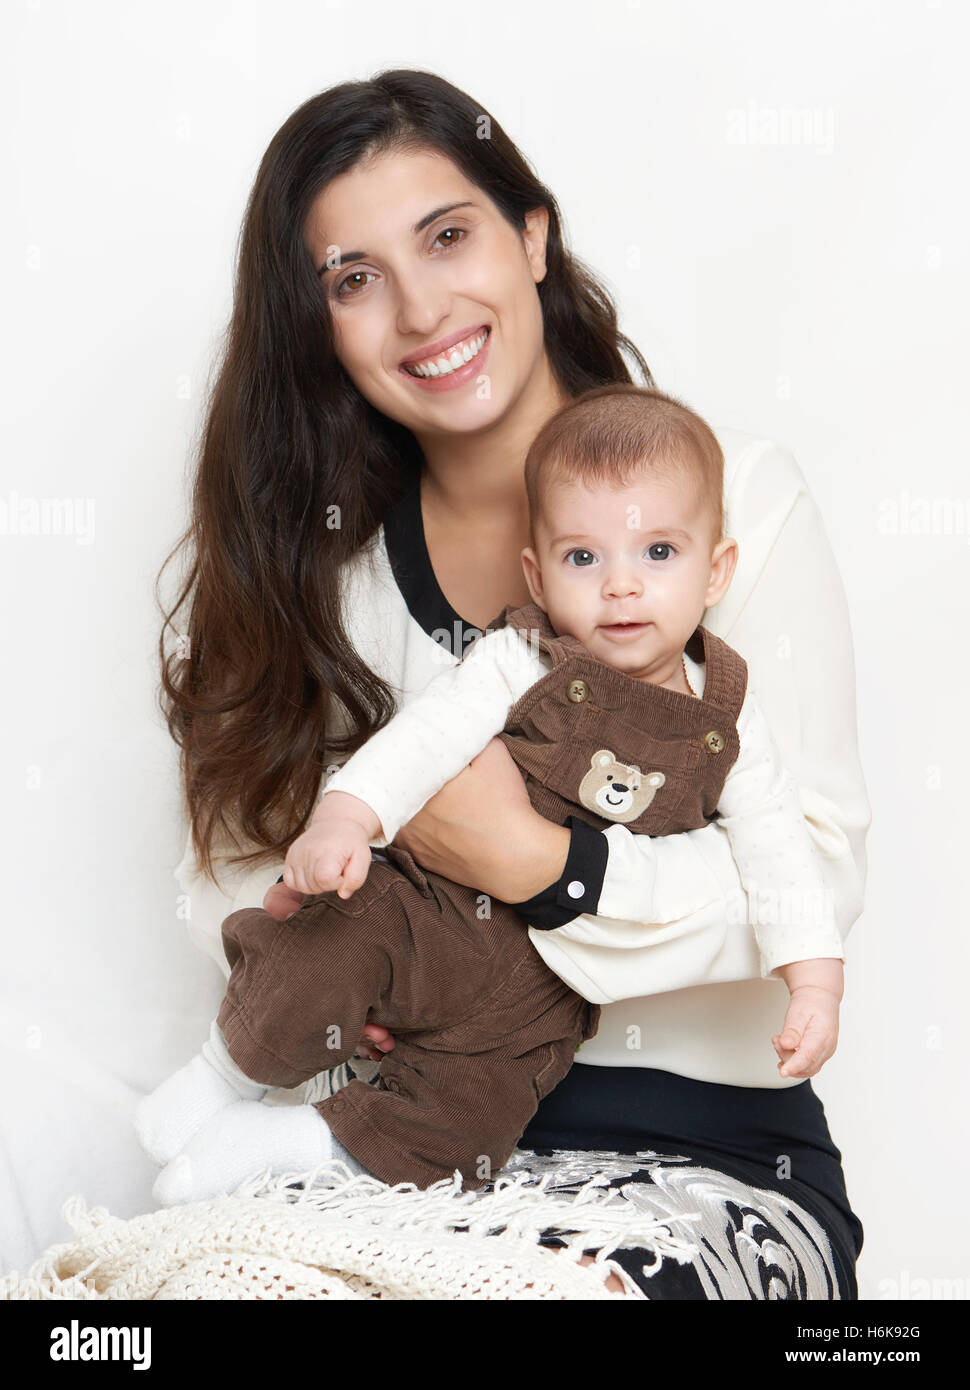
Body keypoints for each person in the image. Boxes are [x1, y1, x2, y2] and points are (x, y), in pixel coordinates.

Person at [150, 70, 870, 1298]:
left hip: (708, 1151)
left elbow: (810, 873)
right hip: (389, 1140)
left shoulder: (730, 505)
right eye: (353, 277)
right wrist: (352, 969)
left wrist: (543, 866)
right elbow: (241, 877)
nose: (422, 307)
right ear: (316, 323)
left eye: (447, 235)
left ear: (530, 235)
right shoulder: (332, 577)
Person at [137, 385, 847, 1204]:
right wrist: (346, 814)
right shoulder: (523, 659)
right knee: (328, 943)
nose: (621, 586)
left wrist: (813, 977)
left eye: (658, 553)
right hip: (437, 906)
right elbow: (425, 737)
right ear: (538, 576)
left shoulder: (729, 715)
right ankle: (220, 1079)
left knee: (470, 1120)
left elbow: (779, 852)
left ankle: (297, 1144)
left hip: (548, 995)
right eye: (585, 559)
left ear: (716, 569)